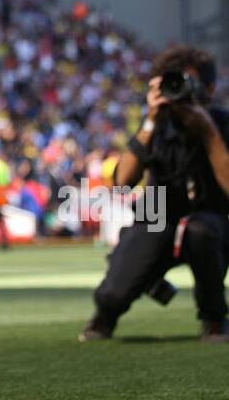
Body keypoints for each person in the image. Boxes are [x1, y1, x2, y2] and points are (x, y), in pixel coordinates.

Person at [81, 45, 229, 342]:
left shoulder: (221, 124)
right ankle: (106, 314)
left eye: (187, 83)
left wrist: (208, 134)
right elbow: (122, 181)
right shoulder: (156, 124)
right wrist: (149, 120)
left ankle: (214, 318)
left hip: (210, 215)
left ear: (209, 89)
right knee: (112, 294)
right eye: (171, 83)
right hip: (156, 213)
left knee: (202, 231)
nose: (179, 91)